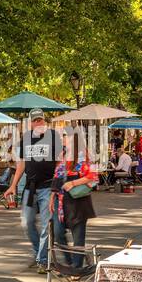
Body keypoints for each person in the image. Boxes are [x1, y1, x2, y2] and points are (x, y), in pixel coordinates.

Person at [5, 110, 59, 270]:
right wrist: (13, 185)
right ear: (30, 123)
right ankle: (38, 254)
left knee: (46, 224)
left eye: (40, 120)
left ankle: (43, 260)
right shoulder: (26, 138)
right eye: (35, 121)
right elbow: (21, 163)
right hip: (30, 187)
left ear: (44, 121)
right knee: (26, 223)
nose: (38, 123)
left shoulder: (53, 136)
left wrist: (57, 184)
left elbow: (58, 163)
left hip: (47, 187)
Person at [50, 131, 96, 268]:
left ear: (73, 140)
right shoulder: (62, 155)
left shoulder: (84, 157)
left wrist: (73, 183)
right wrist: (52, 197)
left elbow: (92, 176)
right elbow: (57, 177)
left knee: (78, 237)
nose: (63, 138)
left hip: (78, 202)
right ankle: (69, 261)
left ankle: (76, 267)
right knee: (57, 233)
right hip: (61, 201)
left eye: (65, 136)